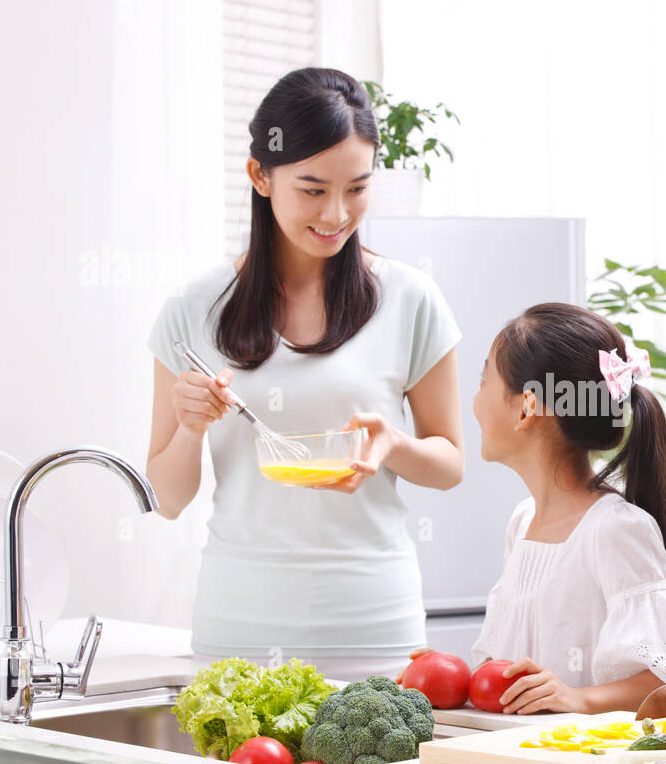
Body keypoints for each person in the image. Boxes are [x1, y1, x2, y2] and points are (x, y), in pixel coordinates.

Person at [145, 68, 464, 681]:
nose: (337, 214)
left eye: (357, 188)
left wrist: (391, 445)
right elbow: (167, 498)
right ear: (260, 176)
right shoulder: (193, 307)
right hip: (238, 633)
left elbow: (450, 463)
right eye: (313, 190)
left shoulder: (410, 297)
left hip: (375, 629)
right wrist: (189, 427)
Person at [464, 303, 666, 714]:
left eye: (482, 379)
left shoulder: (613, 528)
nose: (473, 400)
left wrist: (577, 699)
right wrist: (444, 681)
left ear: (527, 406)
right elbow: (507, 677)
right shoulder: (522, 522)